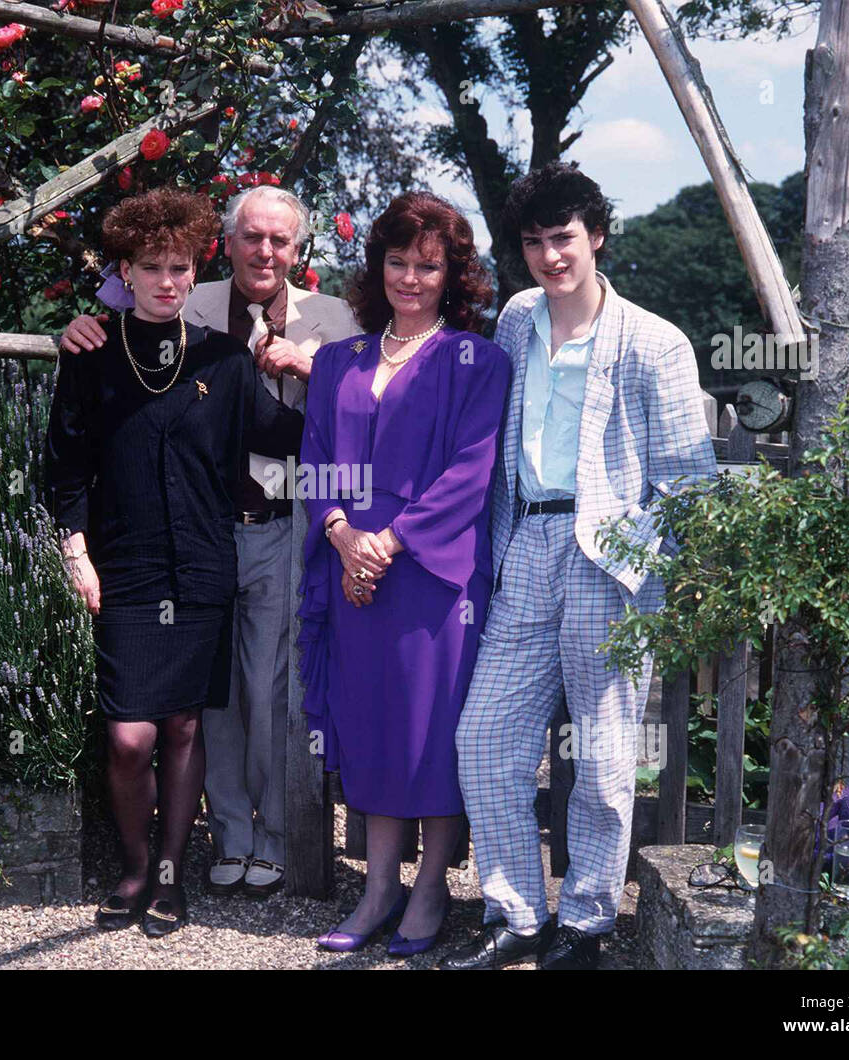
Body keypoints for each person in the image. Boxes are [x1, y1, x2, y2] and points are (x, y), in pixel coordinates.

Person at [439, 162, 716, 971]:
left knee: (601, 756)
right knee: (484, 738)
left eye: (564, 238)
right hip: (525, 544)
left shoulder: (656, 341)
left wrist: (641, 560)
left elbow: (689, 482)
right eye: (534, 242)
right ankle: (517, 914)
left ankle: (588, 925)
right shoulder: (518, 318)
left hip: (612, 560)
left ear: (596, 236)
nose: (550, 257)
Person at [61, 186, 358, 899]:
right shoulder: (191, 299)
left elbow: (346, 414)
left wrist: (318, 371)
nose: (265, 251)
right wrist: (77, 325)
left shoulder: (336, 318)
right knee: (211, 703)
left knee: (273, 688)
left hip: (290, 529)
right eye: (251, 237)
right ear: (223, 246)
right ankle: (228, 835)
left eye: (280, 241)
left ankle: (279, 835)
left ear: (298, 249)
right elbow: (131, 302)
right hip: (201, 533)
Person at [297, 192, 510, 956]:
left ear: (453, 272)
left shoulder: (479, 362)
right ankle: (379, 886)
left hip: (433, 575)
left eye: (428, 264)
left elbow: (470, 471)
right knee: (375, 726)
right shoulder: (336, 361)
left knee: (434, 732)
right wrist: (343, 533)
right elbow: (317, 458)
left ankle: (430, 893)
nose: (411, 278)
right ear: (377, 265)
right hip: (350, 565)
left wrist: (388, 543)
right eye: (398, 262)